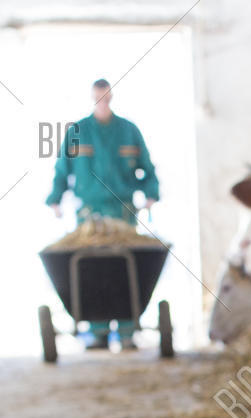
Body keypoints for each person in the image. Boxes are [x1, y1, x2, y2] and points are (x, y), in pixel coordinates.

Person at [46, 78, 160, 350]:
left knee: (124, 265)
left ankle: (127, 330)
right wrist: (55, 199)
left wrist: (151, 194)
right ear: (92, 96)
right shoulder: (78, 131)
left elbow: (147, 167)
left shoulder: (129, 131)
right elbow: (63, 169)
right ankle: (97, 330)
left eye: (106, 95)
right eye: (98, 96)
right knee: (92, 267)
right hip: (89, 215)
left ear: (111, 96)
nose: (102, 100)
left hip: (122, 212)